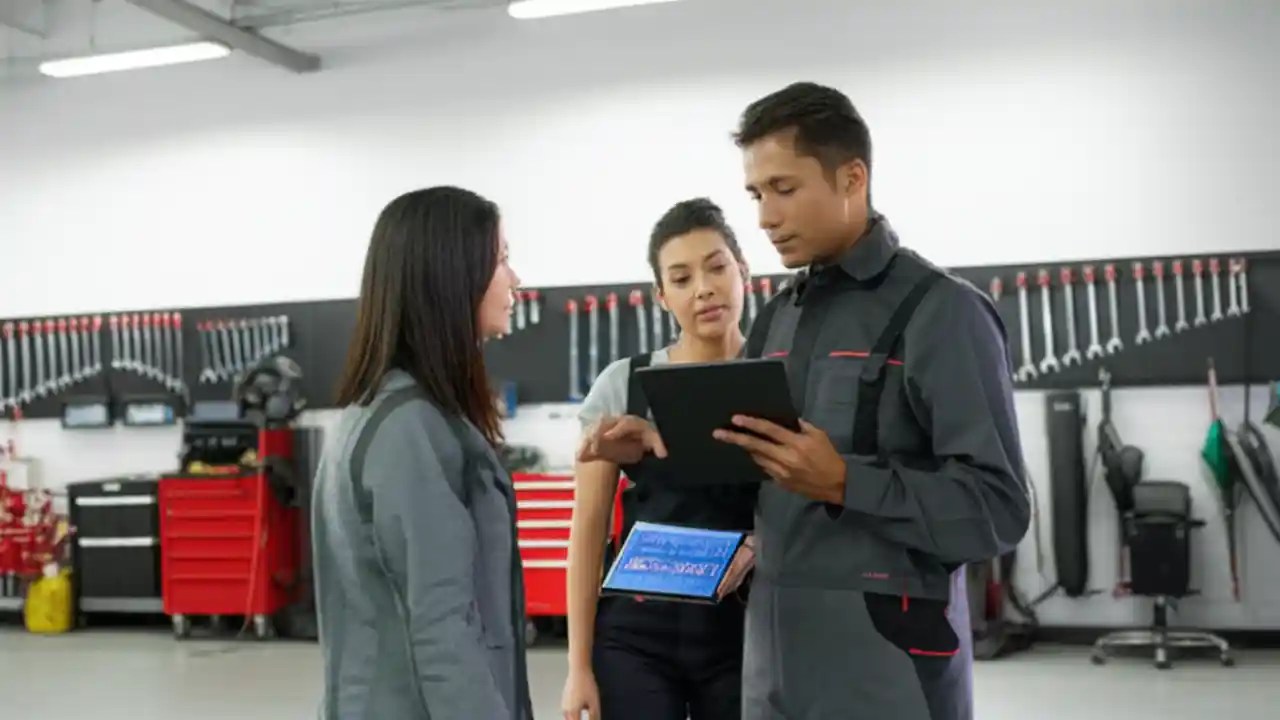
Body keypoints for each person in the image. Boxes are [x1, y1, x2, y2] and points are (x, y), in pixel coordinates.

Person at [583, 83, 1031, 720]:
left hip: (887, 662)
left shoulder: (942, 314)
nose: (765, 216)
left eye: (784, 189)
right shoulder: (777, 319)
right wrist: (657, 448)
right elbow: (752, 472)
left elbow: (999, 509)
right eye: (756, 194)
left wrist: (848, 482)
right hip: (770, 655)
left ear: (852, 178)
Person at [311, 186, 534, 720]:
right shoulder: (411, 431)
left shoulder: (384, 412)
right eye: (501, 259)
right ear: (450, 276)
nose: (516, 279)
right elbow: (443, 631)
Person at [561, 198, 758, 720]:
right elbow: (587, 535)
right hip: (636, 637)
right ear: (662, 295)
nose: (704, 288)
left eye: (717, 267)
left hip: (746, 634)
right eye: (682, 277)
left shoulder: (779, 377)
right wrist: (578, 667)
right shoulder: (623, 385)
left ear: (744, 271)